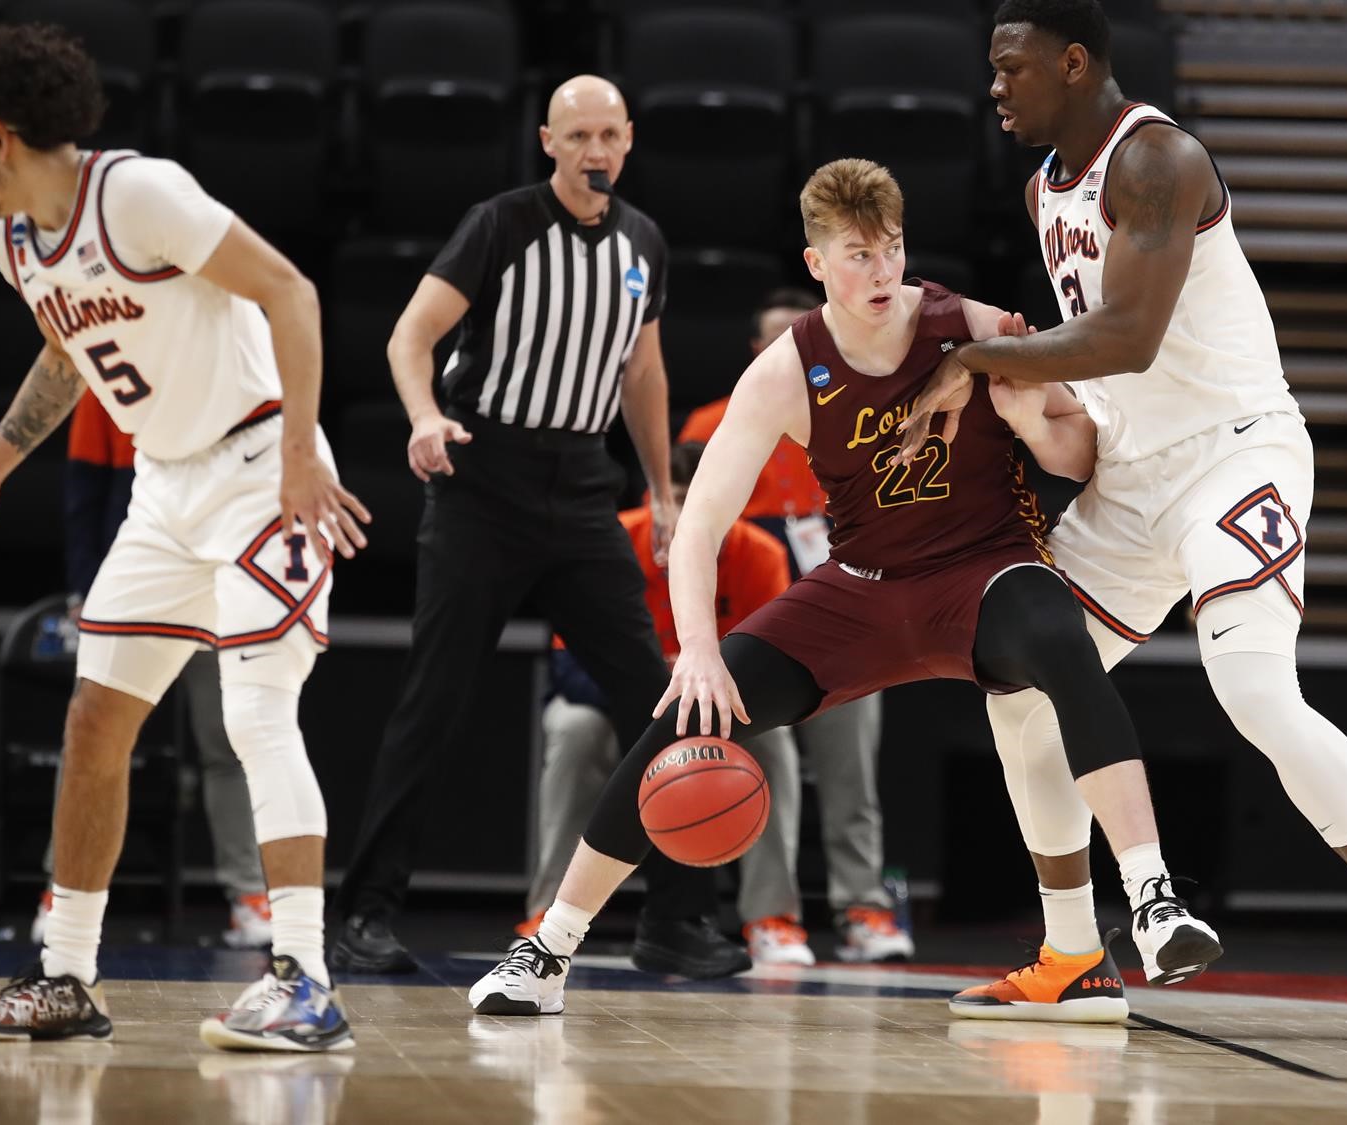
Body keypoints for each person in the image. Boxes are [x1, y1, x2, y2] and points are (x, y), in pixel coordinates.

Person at [466, 158, 1219, 1021]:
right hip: (860, 589)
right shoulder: (786, 370)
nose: (882, 270)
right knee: (686, 716)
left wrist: (1026, 419)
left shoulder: (973, 325)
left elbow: (1079, 452)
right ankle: (547, 950)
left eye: (892, 248)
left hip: (983, 571)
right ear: (816, 262)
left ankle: (1154, 899)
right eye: (859, 255)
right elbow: (698, 524)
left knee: (1063, 643)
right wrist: (700, 651)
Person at [900, 0, 1347, 1041]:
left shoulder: (1158, 159)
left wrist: (973, 359)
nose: (995, 87)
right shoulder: (1042, 187)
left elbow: (1128, 337)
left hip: (1232, 456)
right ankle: (1074, 953)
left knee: (1253, 688)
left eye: (1013, 67)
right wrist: (1038, 414)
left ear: (1074, 63)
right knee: (1018, 688)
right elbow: (1102, 382)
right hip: (1130, 475)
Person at [0, 24, 366, 1051]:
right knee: (96, 716)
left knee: (255, 711)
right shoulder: (14, 243)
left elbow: (291, 290)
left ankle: (306, 980)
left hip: (260, 466)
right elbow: (68, 357)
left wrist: (301, 452)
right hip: (165, 486)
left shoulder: (137, 193)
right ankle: (65, 974)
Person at [331, 75, 743, 979]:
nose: (596, 151)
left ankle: (676, 920)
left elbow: (642, 373)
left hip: (583, 491)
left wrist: (663, 493)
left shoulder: (643, 241)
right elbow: (409, 337)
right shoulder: (500, 224)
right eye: (578, 136)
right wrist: (423, 417)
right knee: (433, 702)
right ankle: (364, 912)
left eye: (609, 135)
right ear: (548, 143)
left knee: (662, 698)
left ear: (629, 140)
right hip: (483, 482)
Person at [679, 290, 912, 966]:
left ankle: (863, 907)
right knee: (766, 765)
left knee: (853, 761)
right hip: (754, 630)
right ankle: (771, 918)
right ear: (758, 351)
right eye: (778, 339)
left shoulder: (862, 419)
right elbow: (687, 532)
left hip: (842, 626)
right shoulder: (709, 424)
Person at [519, 442, 796, 957]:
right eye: (677, 499)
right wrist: (654, 698)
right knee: (572, 729)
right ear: (652, 499)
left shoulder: (761, 555)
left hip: (719, 713)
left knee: (775, 744)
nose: (689, 513)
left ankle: (771, 917)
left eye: (702, 498)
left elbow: (775, 664)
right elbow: (568, 664)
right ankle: (549, 909)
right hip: (616, 704)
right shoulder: (615, 540)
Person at [29, 391, 272, 951]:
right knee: (93, 737)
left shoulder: (234, 371)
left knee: (230, 741)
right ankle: (62, 890)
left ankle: (249, 896)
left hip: (216, 576)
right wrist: (84, 588)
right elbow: (84, 488)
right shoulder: (110, 375)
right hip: (133, 578)